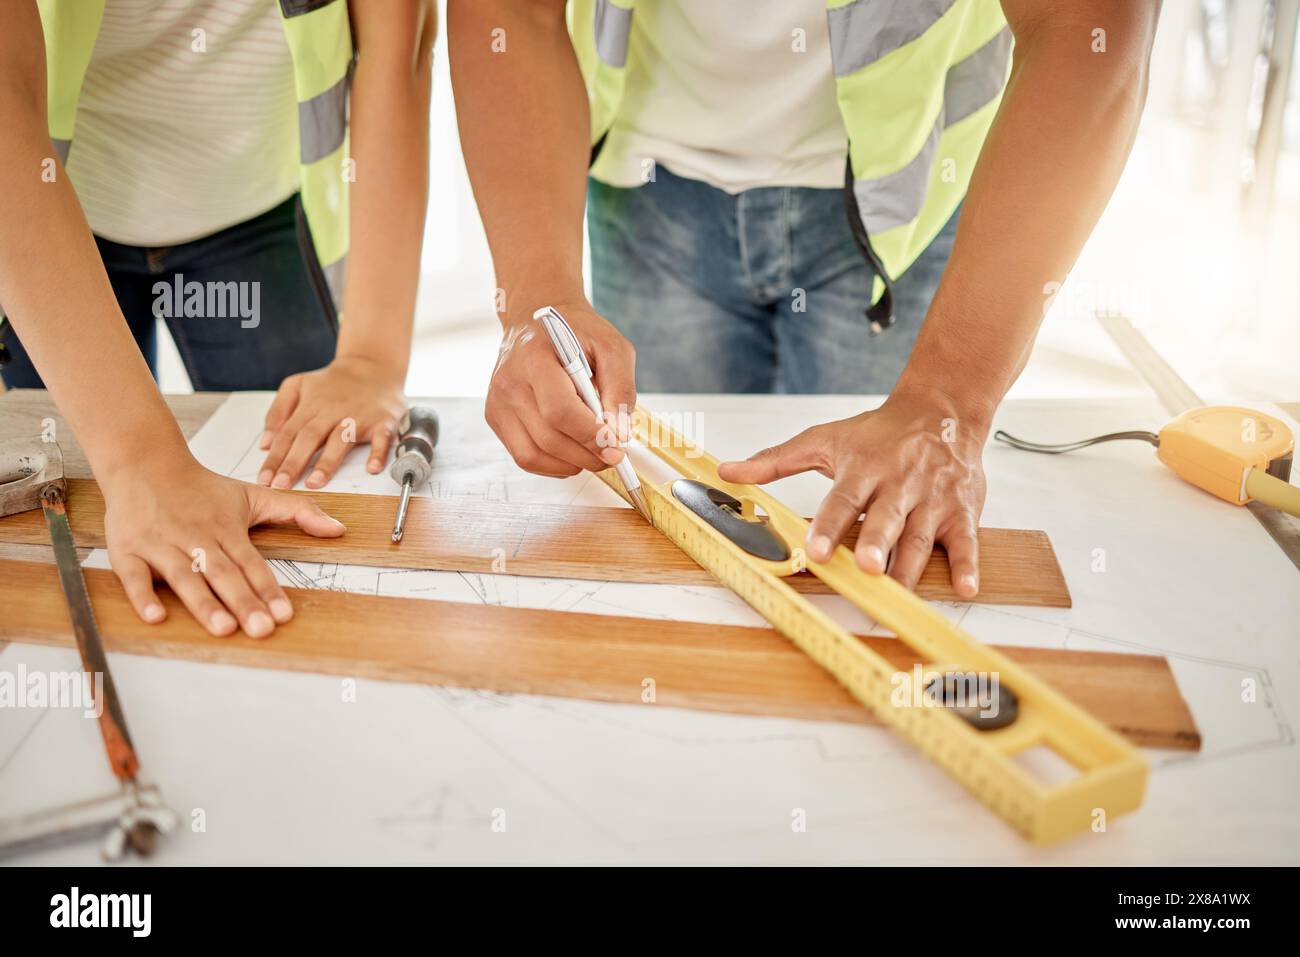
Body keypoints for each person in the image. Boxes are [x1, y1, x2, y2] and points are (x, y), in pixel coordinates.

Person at [449, 0, 1158, 598]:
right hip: (647, 187)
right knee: (672, 555)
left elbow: (1089, 26)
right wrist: (537, 296)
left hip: (905, 194)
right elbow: (511, 13)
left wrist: (948, 398)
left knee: (881, 527)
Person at [0, 0, 436, 637]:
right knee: (77, 490)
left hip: (255, 209)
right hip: (55, 212)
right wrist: (140, 460)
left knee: (301, 455)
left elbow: (396, 53)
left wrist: (371, 358)